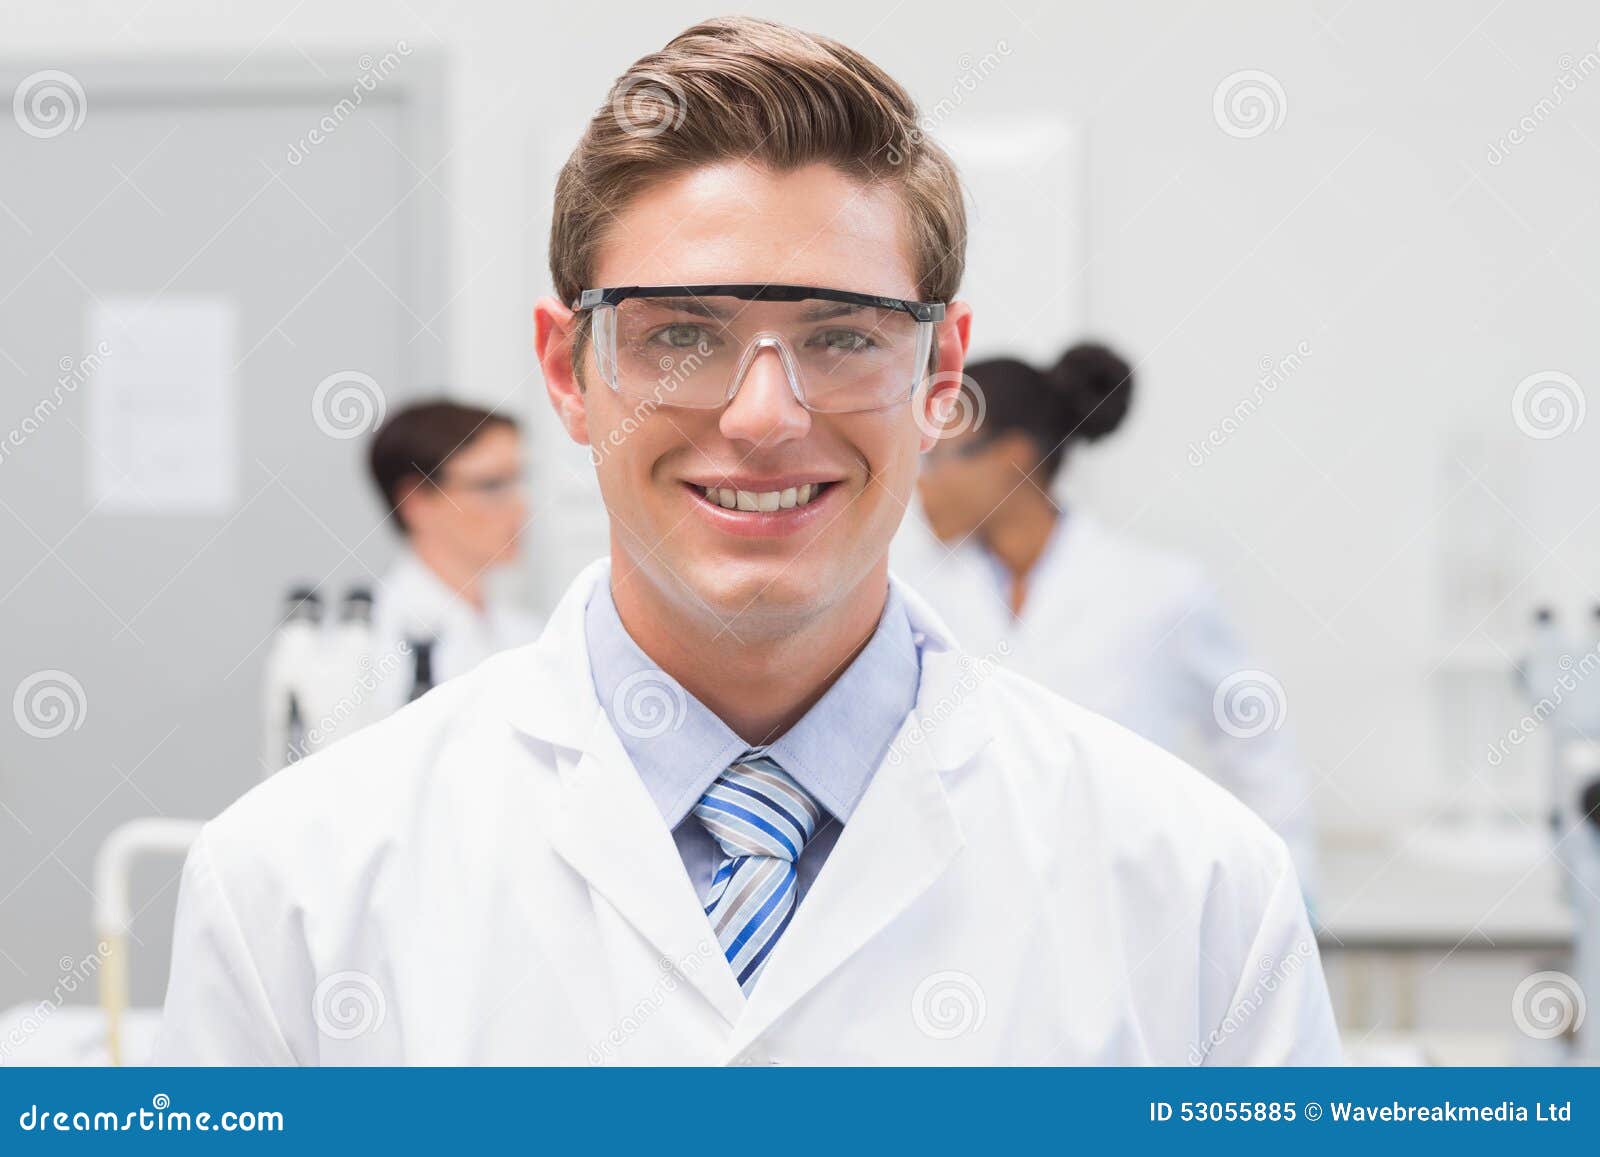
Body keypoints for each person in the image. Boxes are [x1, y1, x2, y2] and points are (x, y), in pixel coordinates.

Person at [154, 16, 1339, 1065]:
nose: (764, 416)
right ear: (570, 371)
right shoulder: (296, 887)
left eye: (842, 335)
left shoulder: (1197, 891)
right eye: (680, 333)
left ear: (939, 374)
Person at [895, 348, 1318, 891]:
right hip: (965, 909)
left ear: (1012, 459)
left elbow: (1259, 744)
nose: (919, 484)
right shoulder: (912, 594)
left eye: (936, 458)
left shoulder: (1159, 591)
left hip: (1128, 908)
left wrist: (1292, 893)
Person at [364, 400, 542, 711]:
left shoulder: (529, 636)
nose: (520, 506)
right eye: (492, 485)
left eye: (518, 481)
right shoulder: (370, 648)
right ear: (416, 502)